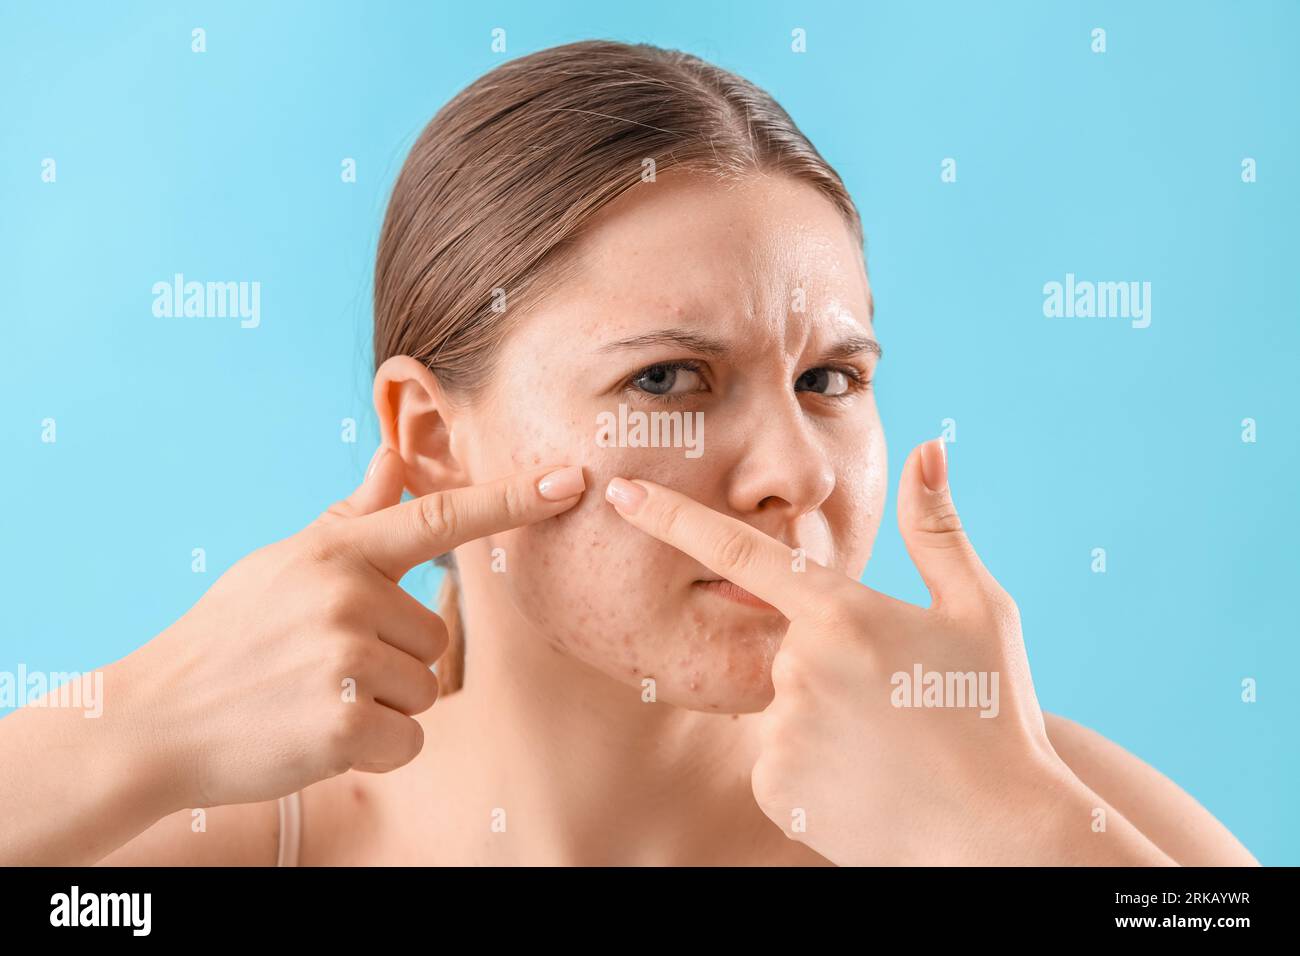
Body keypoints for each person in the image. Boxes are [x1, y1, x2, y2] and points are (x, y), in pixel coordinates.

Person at [0, 40, 1258, 866]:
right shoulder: (190, 851)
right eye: (668, 379)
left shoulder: (1058, 815)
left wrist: (1023, 837)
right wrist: (132, 723)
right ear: (431, 438)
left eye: (831, 379)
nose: (798, 474)